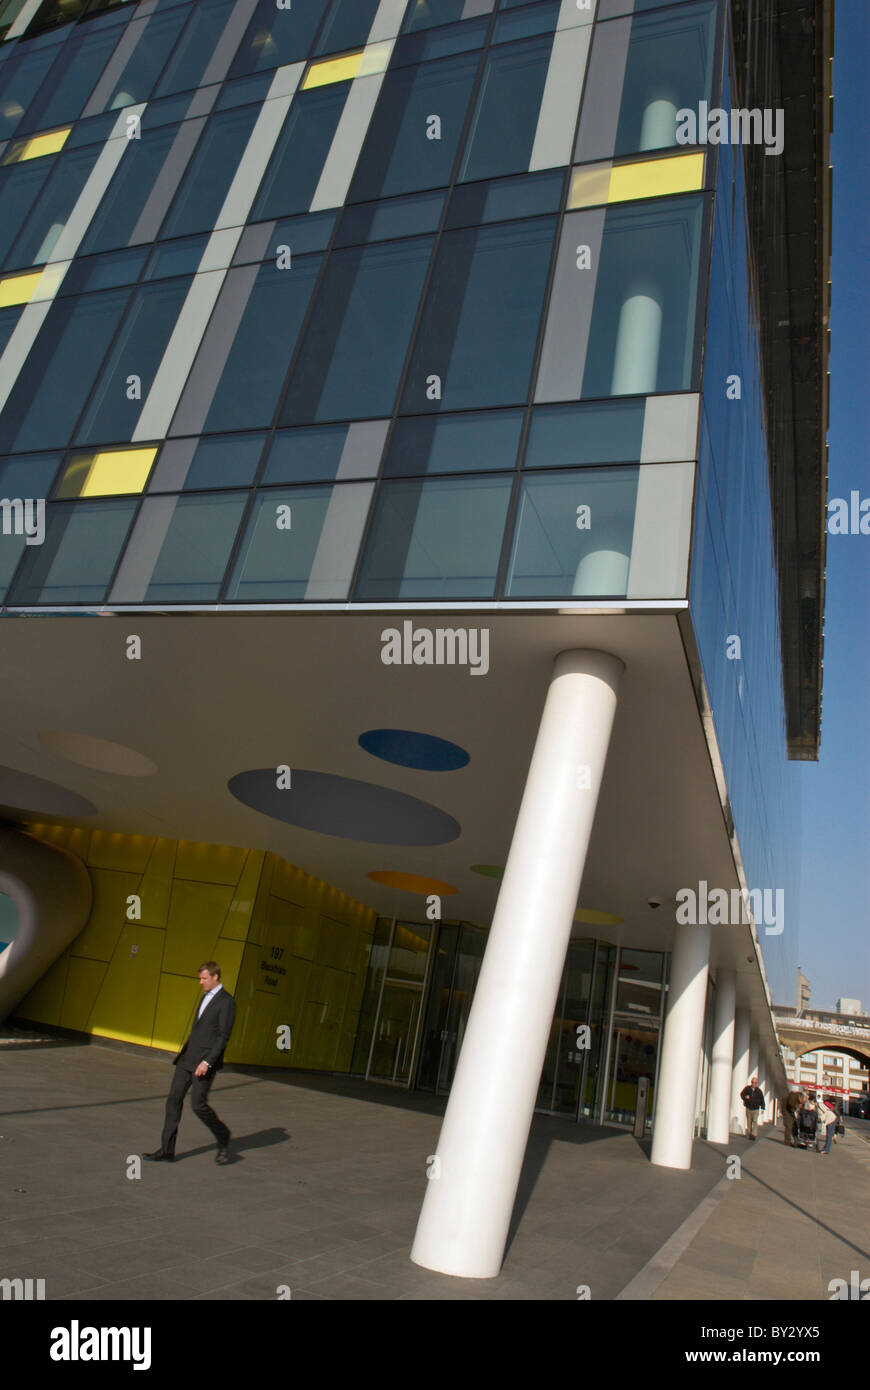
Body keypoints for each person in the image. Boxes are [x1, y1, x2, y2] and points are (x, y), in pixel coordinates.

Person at [144, 962, 236, 1165]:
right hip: (187, 1059)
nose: (200, 982)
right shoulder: (206, 996)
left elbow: (222, 1037)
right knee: (173, 1101)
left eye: (203, 978)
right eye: (200, 978)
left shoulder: (226, 1002)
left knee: (198, 1105)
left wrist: (207, 1062)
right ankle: (167, 1150)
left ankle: (223, 1135)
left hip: (203, 1063)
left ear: (215, 977)